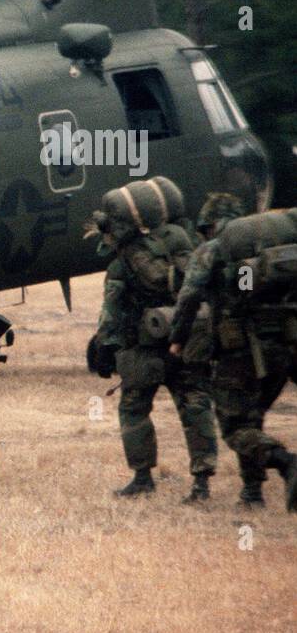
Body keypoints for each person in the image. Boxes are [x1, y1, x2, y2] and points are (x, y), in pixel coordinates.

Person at [168, 195, 297, 510]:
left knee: (236, 427)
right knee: (253, 416)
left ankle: (286, 463)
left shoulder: (213, 250)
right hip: (285, 345)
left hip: (240, 351)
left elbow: (188, 298)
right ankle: (252, 494)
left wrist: (177, 339)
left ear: (211, 224)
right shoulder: (273, 249)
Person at [86, 193, 218, 501]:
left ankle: (143, 478)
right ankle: (202, 483)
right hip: (185, 340)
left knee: (133, 409)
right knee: (195, 405)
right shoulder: (182, 244)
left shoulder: (124, 261)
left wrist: (104, 347)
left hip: (144, 348)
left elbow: (112, 312)